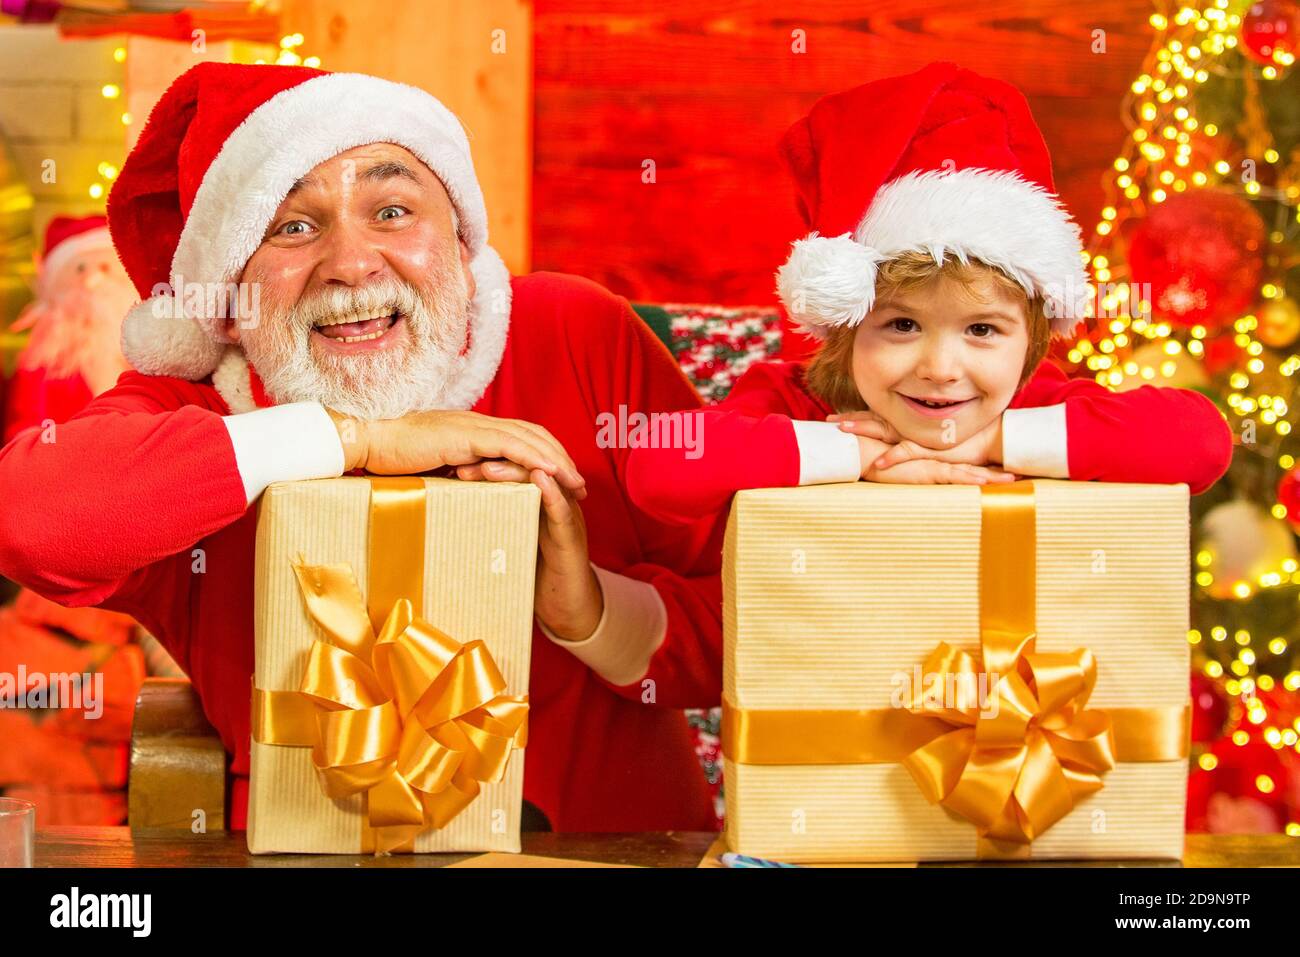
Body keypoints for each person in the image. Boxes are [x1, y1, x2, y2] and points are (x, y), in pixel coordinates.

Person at [0, 62, 724, 833]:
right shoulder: (205, 409)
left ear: (459, 239)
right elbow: (26, 516)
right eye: (293, 227)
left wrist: (592, 611)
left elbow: (748, 626)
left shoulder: (576, 333)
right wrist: (356, 440)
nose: (350, 264)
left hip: (610, 850)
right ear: (233, 296)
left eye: (391, 209)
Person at [627, 62, 1233, 528]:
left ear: (1031, 341)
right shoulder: (795, 401)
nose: (942, 370)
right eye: (902, 327)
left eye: (982, 331)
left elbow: (1201, 442)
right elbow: (659, 469)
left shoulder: (1033, 402)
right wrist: (859, 455)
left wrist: (991, 441)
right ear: (846, 324)